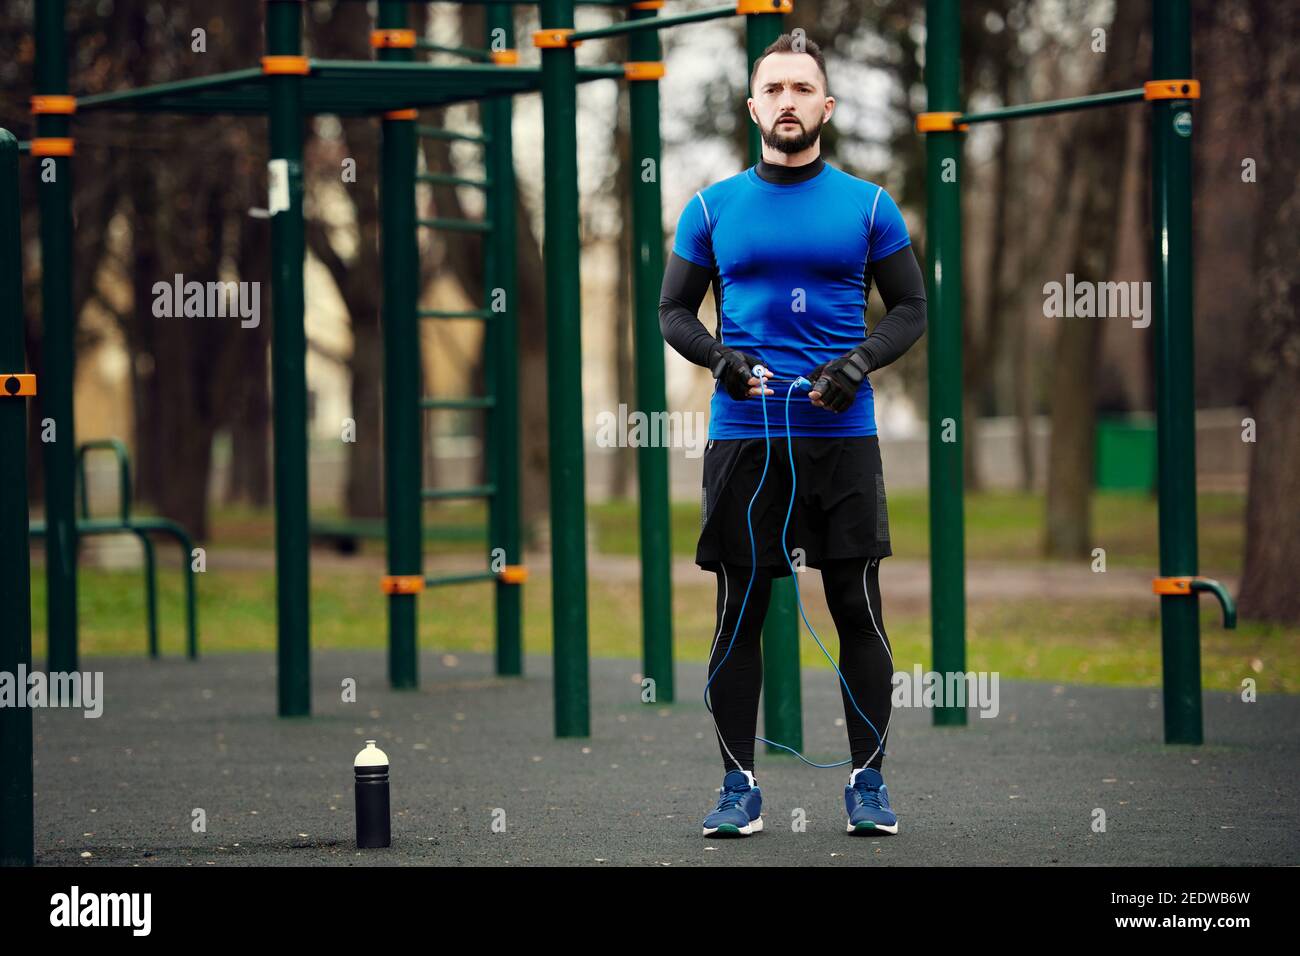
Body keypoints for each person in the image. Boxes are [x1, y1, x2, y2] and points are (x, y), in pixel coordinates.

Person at [658, 33, 927, 837]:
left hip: (842, 437)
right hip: (746, 434)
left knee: (856, 603)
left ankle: (868, 785)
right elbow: (673, 311)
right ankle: (739, 788)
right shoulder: (710, 208)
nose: (786, 100)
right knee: (739, 609)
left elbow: (910, 307)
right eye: (771, 88)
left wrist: (858, 363)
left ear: (826, 107)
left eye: (801, 88)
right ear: (752, 108)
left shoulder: (870, 206)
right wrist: (722, 359)